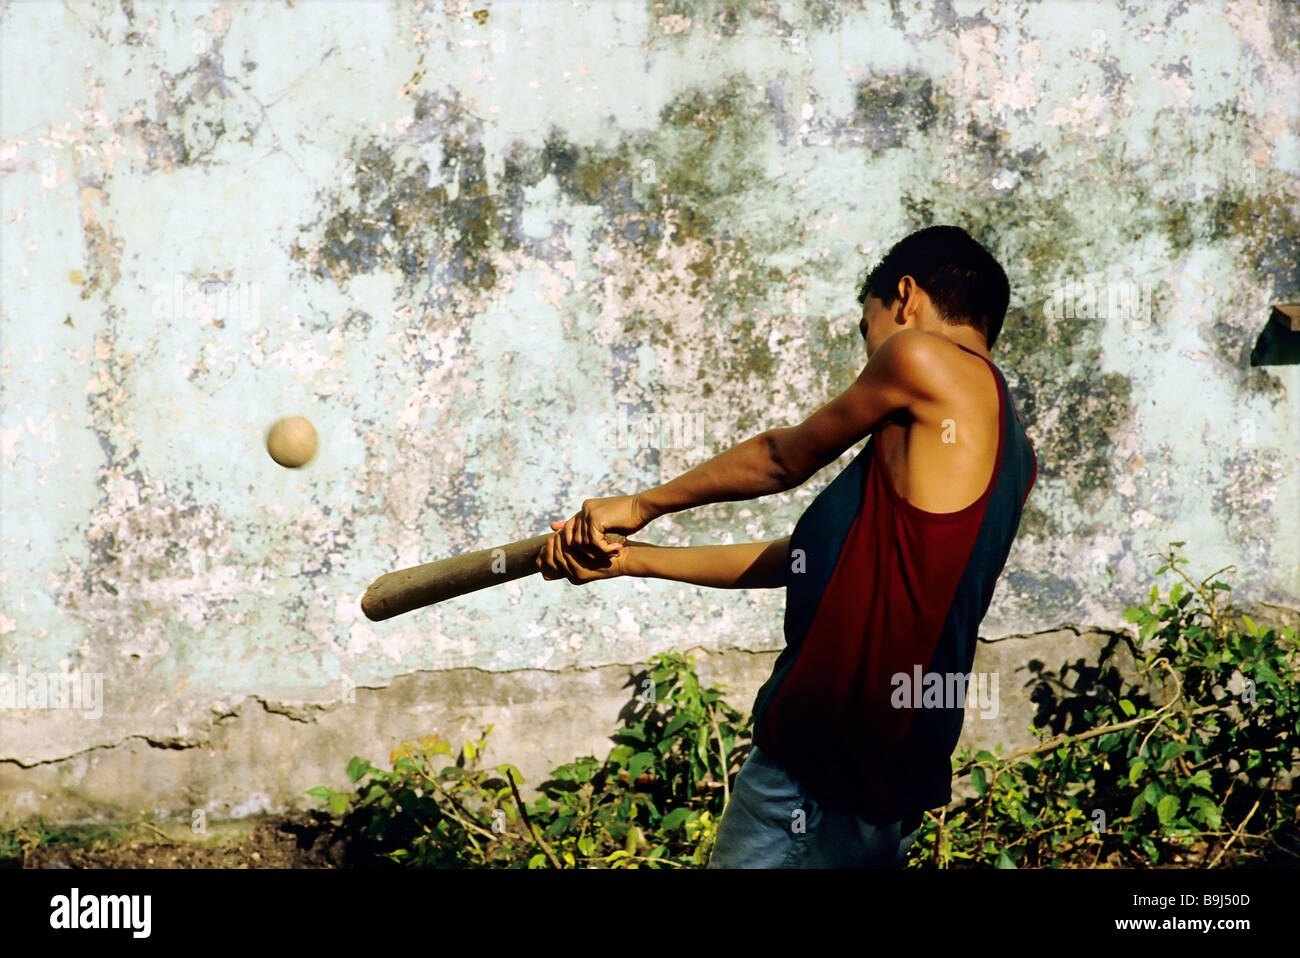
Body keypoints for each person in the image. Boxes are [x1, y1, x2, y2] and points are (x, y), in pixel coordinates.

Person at [538, 225, 1038, 868]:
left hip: (825, 756)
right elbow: (802, 559)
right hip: (890, 765)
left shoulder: (920, 358)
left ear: (906, 298)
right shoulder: (1014, 454)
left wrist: (638, 506)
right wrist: (631, 560)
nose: (872, 353)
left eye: (868, 328)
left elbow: (780, 458)